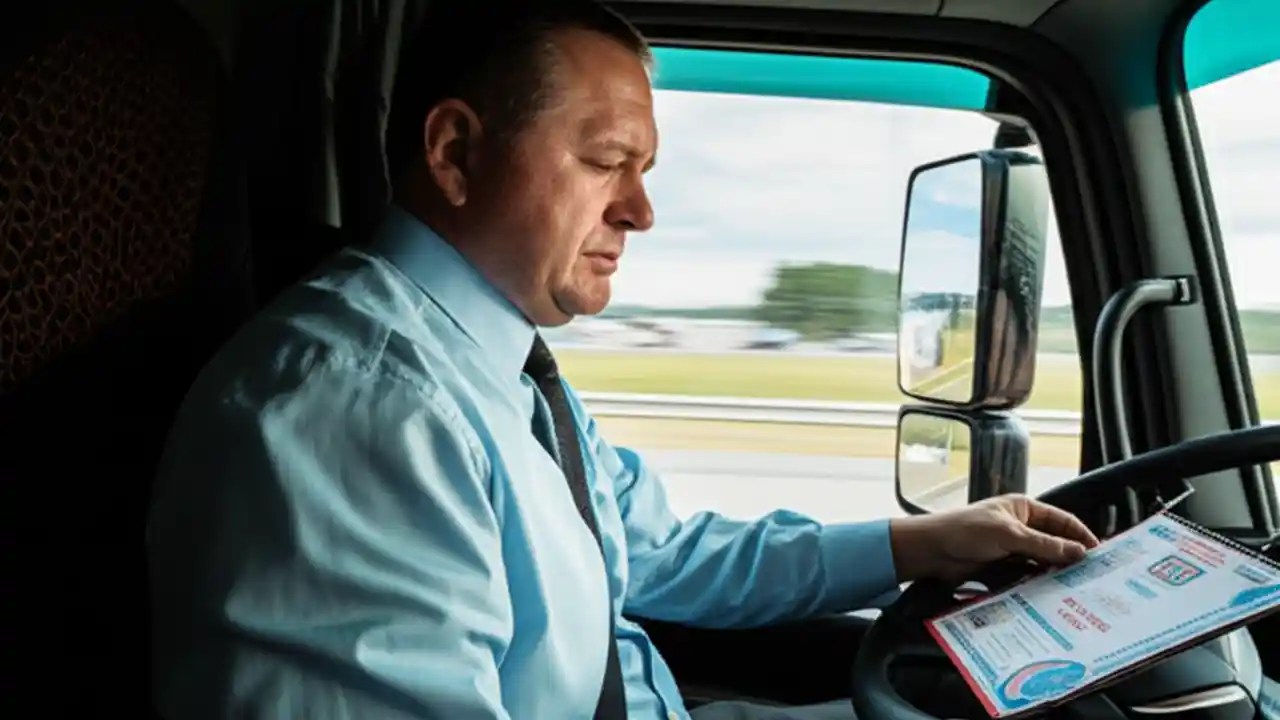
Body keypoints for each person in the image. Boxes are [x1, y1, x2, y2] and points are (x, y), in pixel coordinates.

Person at [145, 1, 1100, 718]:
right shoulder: (360, 412)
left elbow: (654, 550)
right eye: (608, 160)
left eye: (645, 173)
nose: (641, 211)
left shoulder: (493, 367)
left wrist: (917, 544)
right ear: (454, 152)